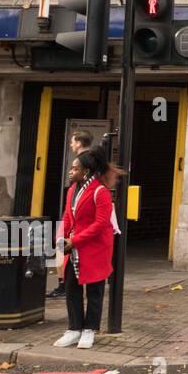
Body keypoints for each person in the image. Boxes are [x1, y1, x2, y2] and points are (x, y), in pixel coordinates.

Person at [54, 145, 121, 350]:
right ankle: (74, 329)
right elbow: (67, 216)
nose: (70, 171)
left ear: (86, 172)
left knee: (94, 290)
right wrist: (60, 238)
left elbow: (101, 224)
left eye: (74, 169)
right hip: (74, 248)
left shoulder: (100, 192)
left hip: (94, 248)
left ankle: (89, 330)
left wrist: (74, 241)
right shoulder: (72, 190)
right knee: (71, 288)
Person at [49, 130, 95, 300]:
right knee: (63, 243)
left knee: (63, 244)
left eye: (72, 141)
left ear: (78, 142)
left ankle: (63, 283)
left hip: (76, 207)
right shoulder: (91, 158)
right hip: (74, 206)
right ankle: (64, 282)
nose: (70, 144)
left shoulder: (85, 160)